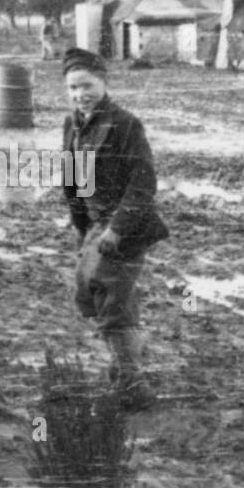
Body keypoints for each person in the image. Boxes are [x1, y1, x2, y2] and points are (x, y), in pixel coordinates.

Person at [60, 47, 169, 411]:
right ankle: (129, 354)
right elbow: (73, 181)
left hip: (127, 228)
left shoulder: (125, 125)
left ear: (103, 82)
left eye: (87, 85)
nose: (80, 95)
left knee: (111, 298)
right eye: (73, 88)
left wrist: (116, 230)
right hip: (96, 226)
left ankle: (132, 386)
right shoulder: (72, 124)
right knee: (89, 292)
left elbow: (143, 185)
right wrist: (82, 229)